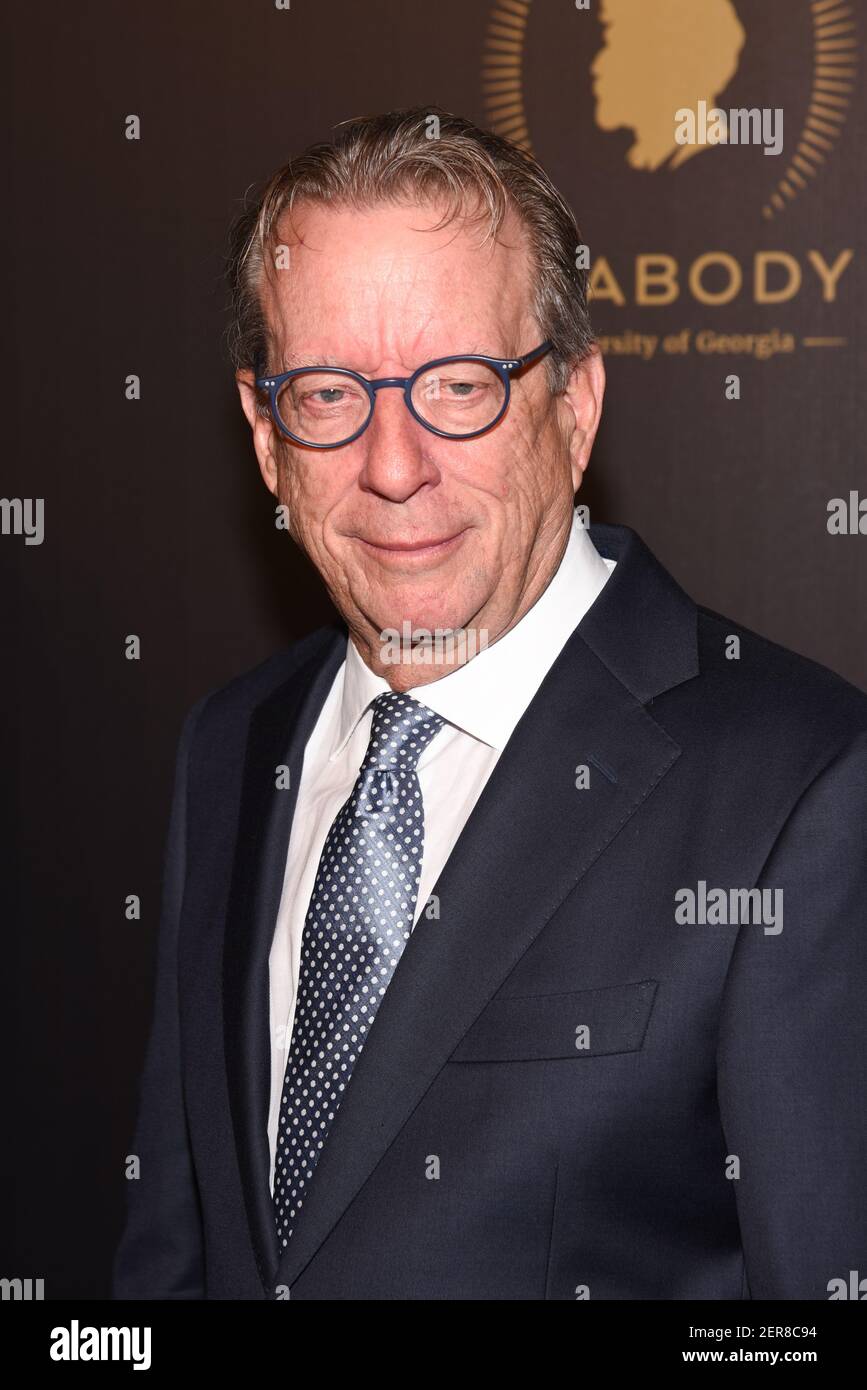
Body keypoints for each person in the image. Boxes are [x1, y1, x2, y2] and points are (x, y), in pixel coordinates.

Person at [112, 106, 867, 1300]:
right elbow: (177, 1259)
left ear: (574, 406)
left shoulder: (805, 786)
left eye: (458, 386)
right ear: (265, 437)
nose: (395, 464)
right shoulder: (234, 743)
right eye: (326, 395)